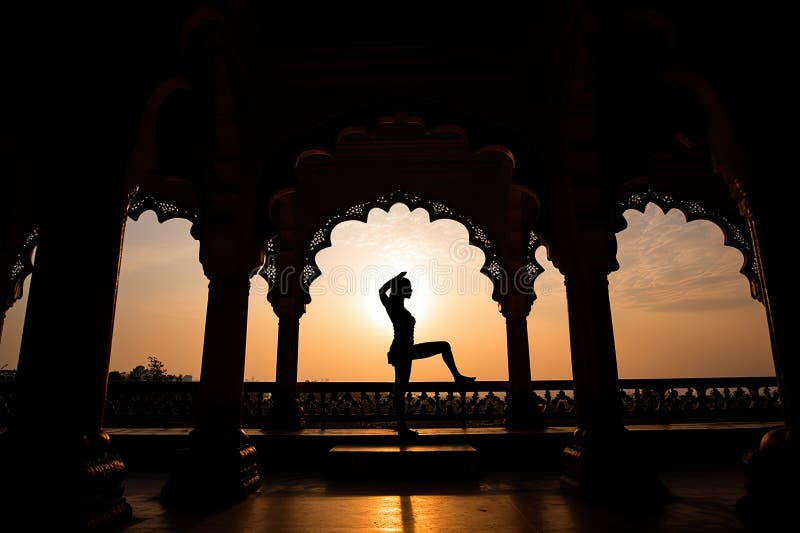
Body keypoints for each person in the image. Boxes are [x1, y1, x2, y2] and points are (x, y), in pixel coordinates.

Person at [378, 271, 475, 439]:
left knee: (443, 347)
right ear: (401, 290)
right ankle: (402, 427)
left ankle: (458, 377)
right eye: (408, 288)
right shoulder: (393, 307)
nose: (411, 290)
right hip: (401, 351)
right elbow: (381, 291)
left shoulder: (399, 307)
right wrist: (396, 278)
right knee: (400, 389)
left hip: (406, 350)